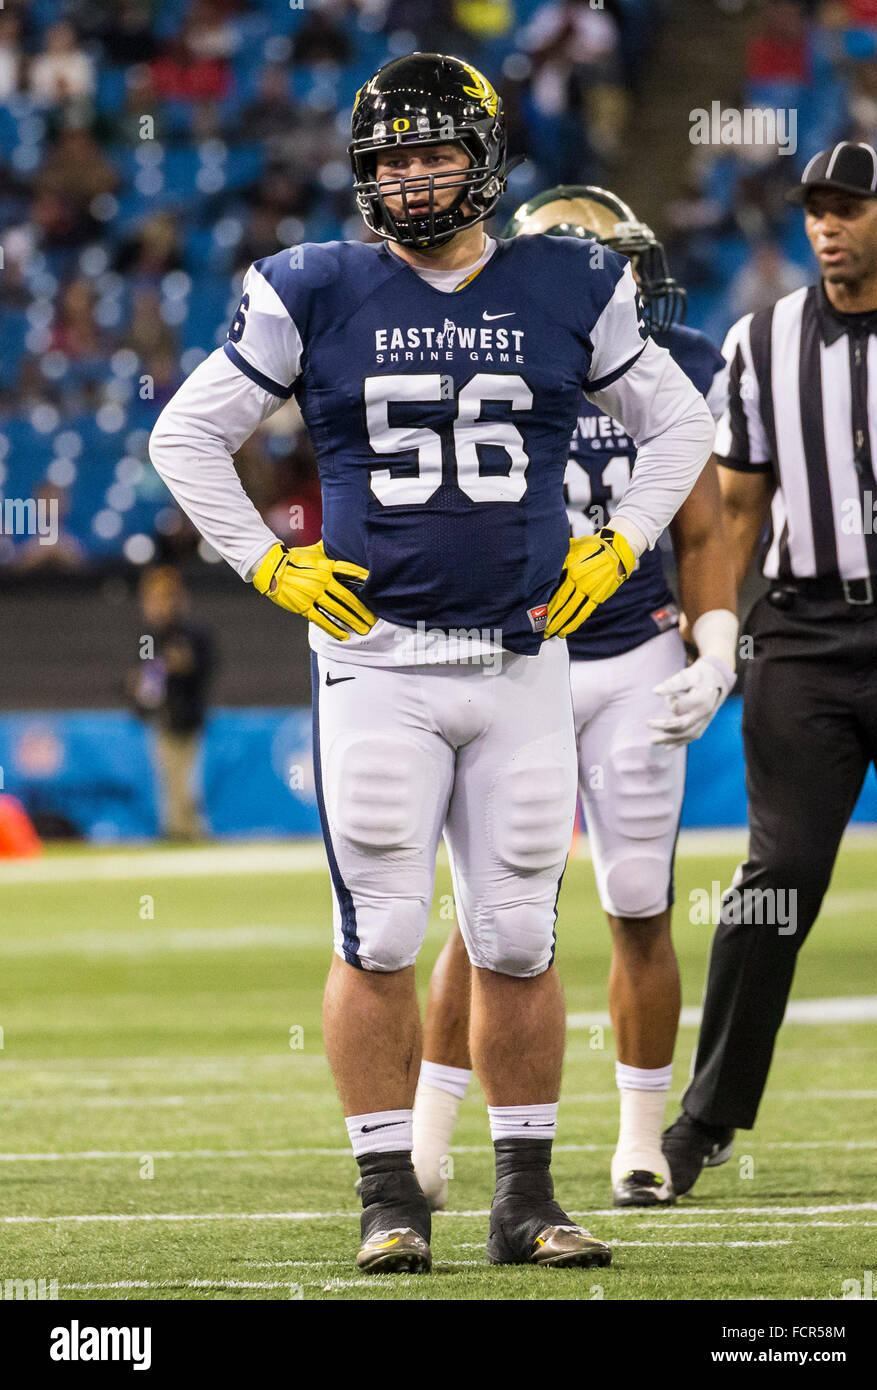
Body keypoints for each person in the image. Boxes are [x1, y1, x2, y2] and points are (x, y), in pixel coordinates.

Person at [149, 53, 714, 1274]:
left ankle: (524, 1196)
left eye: (430, 152)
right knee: (385, 933)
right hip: (379, 660)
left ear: (485, 155)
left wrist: (618, 546)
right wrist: (265, 560)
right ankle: (388, 1194)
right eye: (386, 159)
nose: (407, 179)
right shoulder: (312, 285)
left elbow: (682, 424)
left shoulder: (570, 279)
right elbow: (184, 433)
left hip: (520, 656)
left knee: (517, 934)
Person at [411, 187, 737, 1211]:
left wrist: (714, 645)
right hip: (518, 654)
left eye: (615, 260)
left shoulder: (677, 363)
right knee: (484, 915)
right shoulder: (477, 347)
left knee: (637, 896)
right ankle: (421, 1143)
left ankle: (640, 1137)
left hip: (634, 650)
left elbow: (702, 527)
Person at [662, 141, 877, 1196]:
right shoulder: (759, 341)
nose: (825, 226)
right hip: (801, 635)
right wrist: (717, 622)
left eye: (846, 208)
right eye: (814, 210)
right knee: (777, 877)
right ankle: (702, 1118)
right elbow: (740, 504)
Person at [127, 566, 216, 842]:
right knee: (169, 778)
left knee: (188, 781)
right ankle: (175, 829)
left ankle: (191, 829)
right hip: (163, 717)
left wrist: (181, 665)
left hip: (188, 716)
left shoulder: (192, 633)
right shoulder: (150, 636)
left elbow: (202, 667)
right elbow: (145, 673)